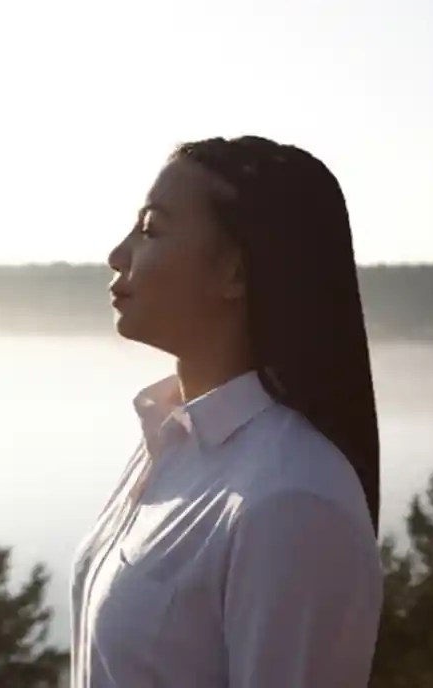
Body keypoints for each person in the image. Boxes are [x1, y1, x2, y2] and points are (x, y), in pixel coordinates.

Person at [71, 136, 383, 687]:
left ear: (235, 273)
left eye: (151, 230)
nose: (118, 255)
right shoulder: (171, 438)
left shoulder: (292, 500)